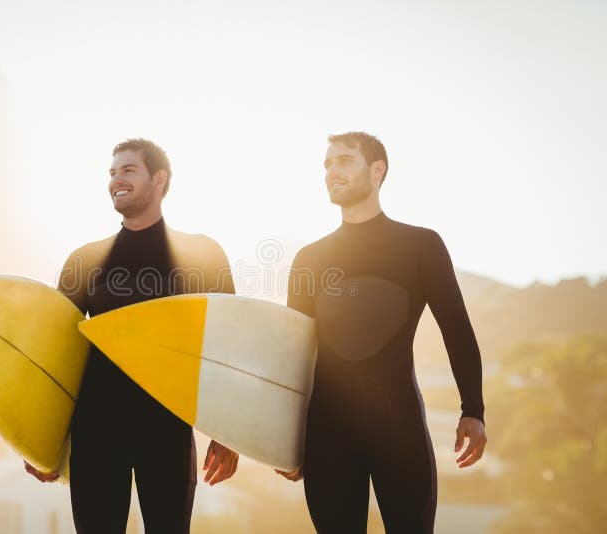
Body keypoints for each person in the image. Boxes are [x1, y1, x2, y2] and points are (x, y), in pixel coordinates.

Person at [25, 138, 239, 533]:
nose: (115, 180)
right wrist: (40, 439)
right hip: (95, 430)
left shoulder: (202, 254)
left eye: (128, 170)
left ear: (159, 180)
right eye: (111, 172)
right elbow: (57, 354)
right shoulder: (85, 259)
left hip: (168, 427)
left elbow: (230, 344)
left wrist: (232, 432)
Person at [277, 132, 487, 533]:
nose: (331, 171)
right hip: (328, 436)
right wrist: (285, 437)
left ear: (377, 171)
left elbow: (456, 329)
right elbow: (294, 354)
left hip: (399, 430)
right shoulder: (310, 259)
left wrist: (472, 409)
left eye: (343, 161)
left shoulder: (421, 246)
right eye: (327, 164)